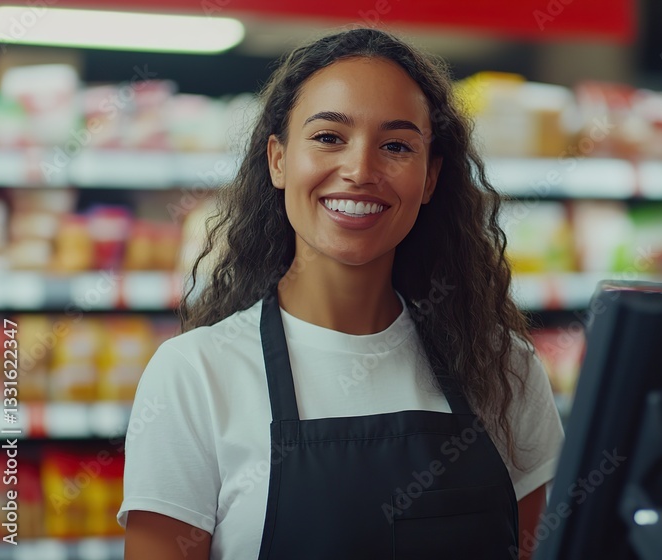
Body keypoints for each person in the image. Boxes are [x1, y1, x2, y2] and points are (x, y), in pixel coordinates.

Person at [117, 27, 565, 560]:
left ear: (429, 178)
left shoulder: (501, 368)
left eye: (396, 146)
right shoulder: (194, 375)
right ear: (278, 160)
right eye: (329, 137)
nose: (359, 171)